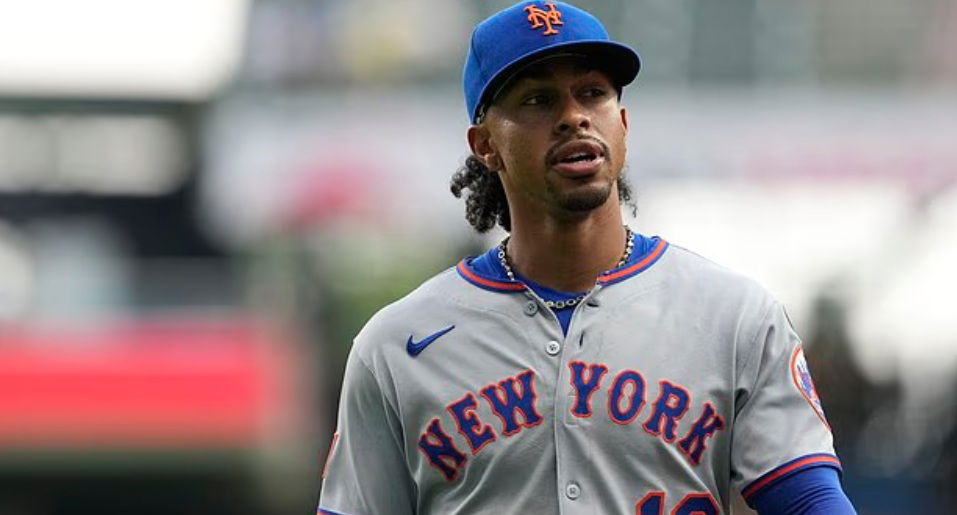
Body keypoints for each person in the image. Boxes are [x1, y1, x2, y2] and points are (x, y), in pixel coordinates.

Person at [317, 2, 856, 513]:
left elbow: (809, 500)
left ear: (621, 123)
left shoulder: (733, 316)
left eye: (592, 93)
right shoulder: (396, 345)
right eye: (537, 99)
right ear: (485, 145)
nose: (574, 117)